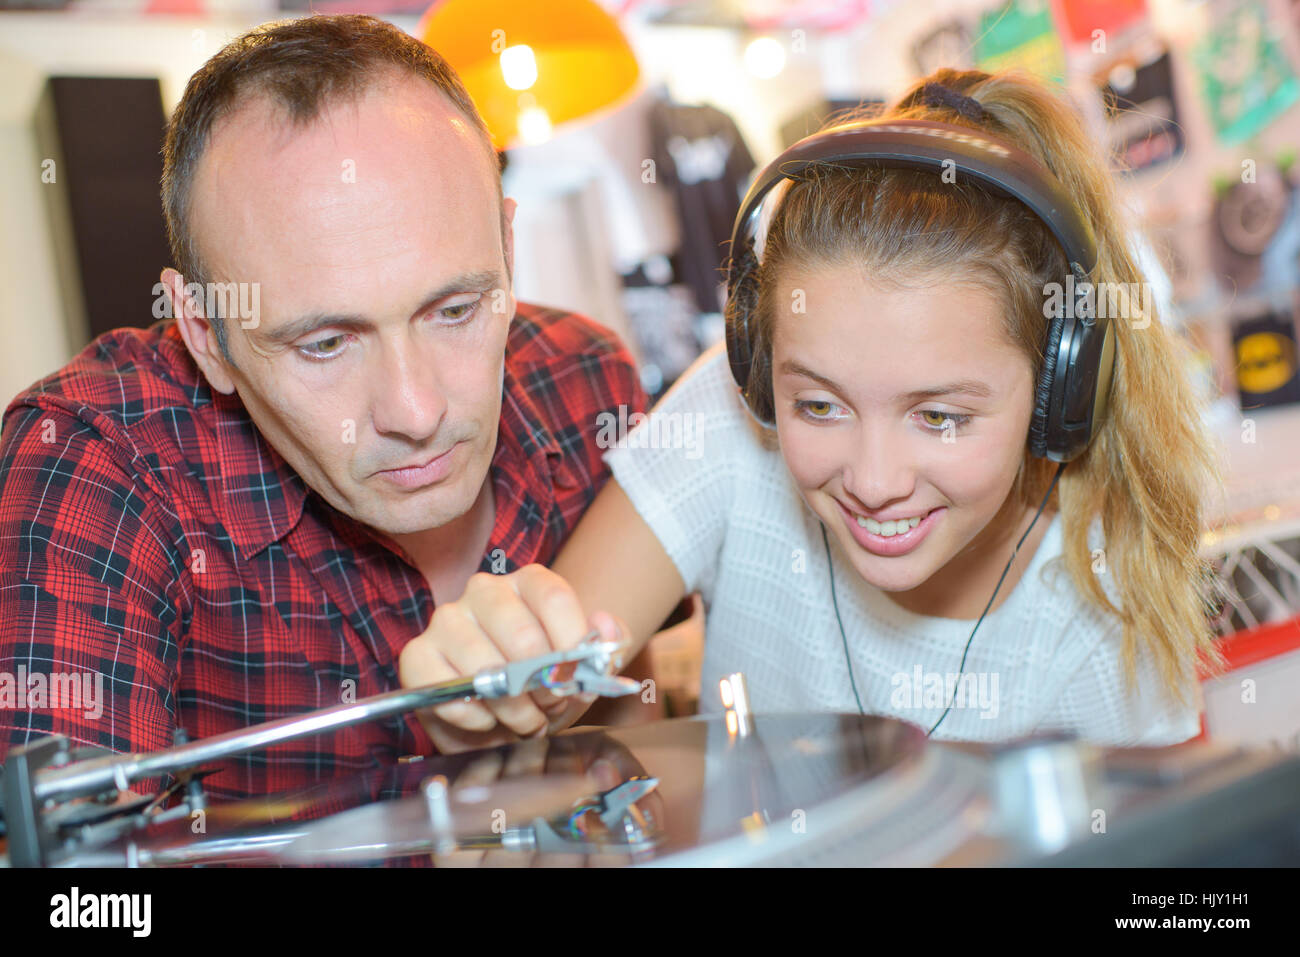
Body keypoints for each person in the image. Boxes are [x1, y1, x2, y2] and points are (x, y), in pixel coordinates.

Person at [401, 68, 1227, 749]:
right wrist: (486, 686)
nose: (872, 482)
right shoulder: (729, 426)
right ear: (760, 375)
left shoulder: (1108, 592)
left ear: (1057, 391)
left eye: (938, 416)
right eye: (820, 405)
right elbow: (551, 675)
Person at [0, 15, 644, 800]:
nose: (416, 409)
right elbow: (80, 900)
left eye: (454, 309)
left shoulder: (586, 382)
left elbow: (641, 737)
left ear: (508, 251)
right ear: (204, 334)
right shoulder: (95, 458)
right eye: (326, 343)